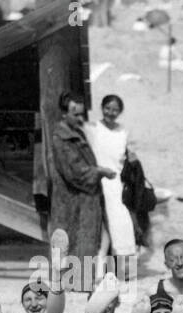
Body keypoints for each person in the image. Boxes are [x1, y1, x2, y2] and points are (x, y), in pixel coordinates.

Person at [50, 92, 117, 293]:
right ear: (64, 114)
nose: (79, 118)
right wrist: (100, 171)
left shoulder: (75, 132)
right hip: (73, 198)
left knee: (92, 238)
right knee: (77, 240)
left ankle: (86, 281)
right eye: (75, 114)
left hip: (86, 197)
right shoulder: (61, 138)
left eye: (81, 114)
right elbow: (74, 172)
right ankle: (76, 283)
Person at [84, 94, 136, 281]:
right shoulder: (92, 128)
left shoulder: (123, 132)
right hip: (97, 179)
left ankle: (122, 270)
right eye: (107, 108)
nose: (110, 113)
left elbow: (128, 156)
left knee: (119, 223)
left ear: (119, 112)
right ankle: (98, 270)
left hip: (115, 182)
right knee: (102, 226)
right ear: (102, 108)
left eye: (115, 110)